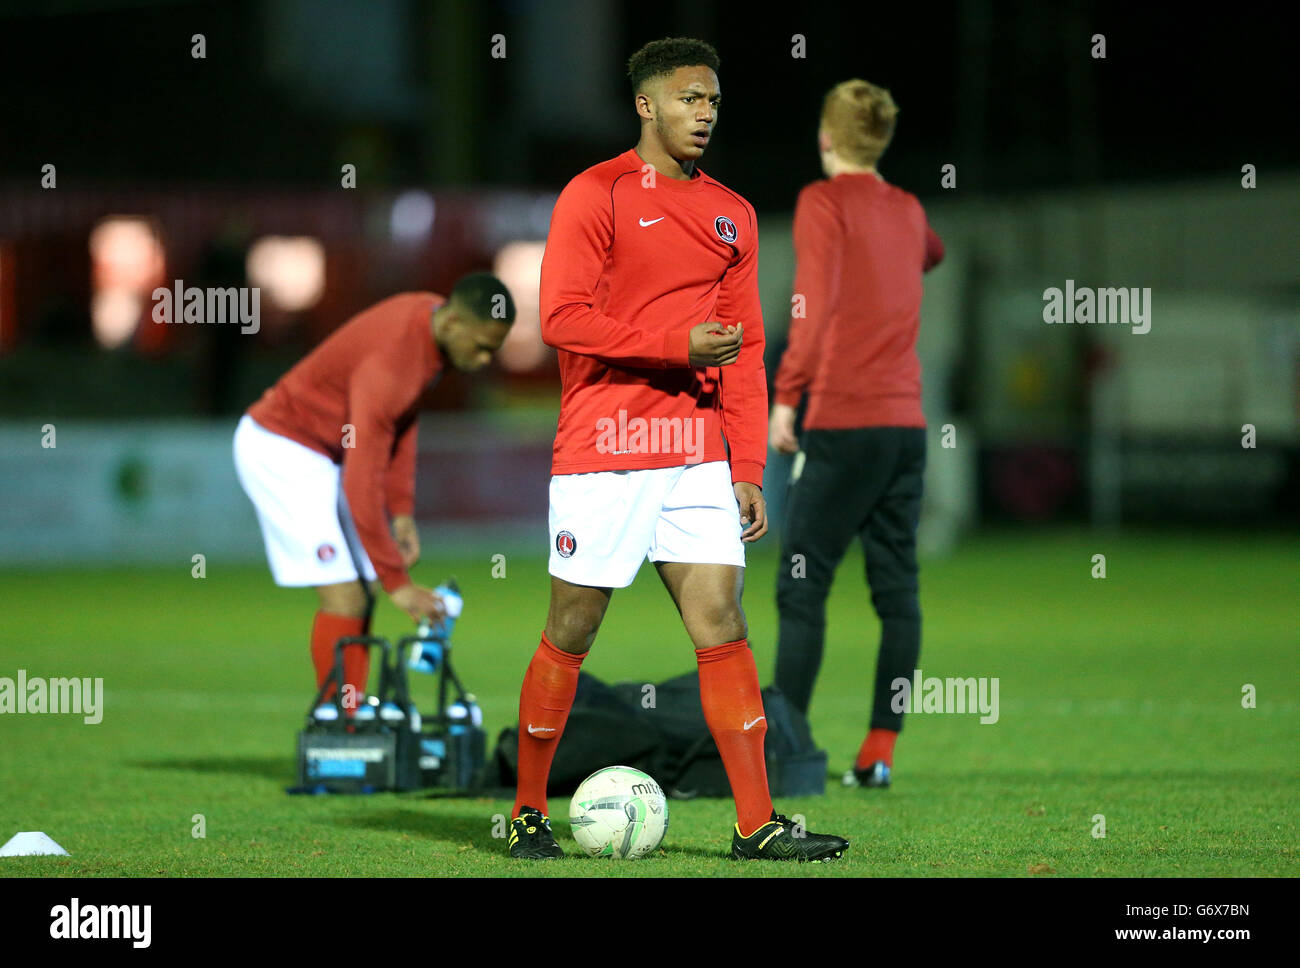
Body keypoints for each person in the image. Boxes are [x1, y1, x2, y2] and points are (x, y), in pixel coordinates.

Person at [506, 37, 848, 862]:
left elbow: (748, 346)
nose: (705, 113)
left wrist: (748, 466)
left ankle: (755, 823)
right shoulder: (596, 194)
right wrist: (675, 344)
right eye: (690, 98)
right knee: (573, 627)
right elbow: (560, 317)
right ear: (646, 104)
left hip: (696, 454)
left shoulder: (734, 213)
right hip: (606, 446)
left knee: (722, 621)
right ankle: (524, 812)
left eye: (714, 102)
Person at [233, 275, 515, 716]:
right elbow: (360, 483)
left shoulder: (428, 317)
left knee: (362, 589)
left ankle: (351, 711)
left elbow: (401, 423)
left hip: (321, 453)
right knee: (346, 594)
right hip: (282, 448)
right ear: (454, 320)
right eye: (480, 346)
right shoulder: (392, 362)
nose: (482, 361)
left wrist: (401, 513)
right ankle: (340, 725)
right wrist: (399, 585)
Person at [770, 80, 945, 788]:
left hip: (844, 420)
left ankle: (787, 749)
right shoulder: (906, 208)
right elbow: (931, 252)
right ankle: (878, 752)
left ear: (826, 136)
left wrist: (786, 397)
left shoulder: (822, 203)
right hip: (905, 427)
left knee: (801, 589)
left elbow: (811, 305)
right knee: (897, 592)